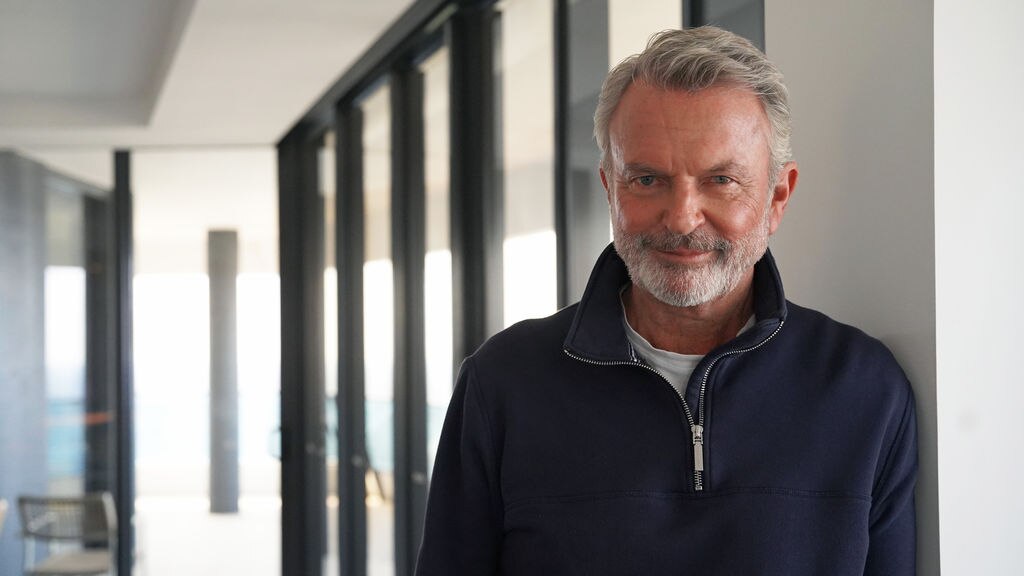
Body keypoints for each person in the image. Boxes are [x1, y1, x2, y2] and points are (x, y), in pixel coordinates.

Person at [415, 26, 917, 575]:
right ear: (610, 189)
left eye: (721, 180)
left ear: (777, 197)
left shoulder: (863, 390)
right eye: (648, 179)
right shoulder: (503, 385)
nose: (681, 219)